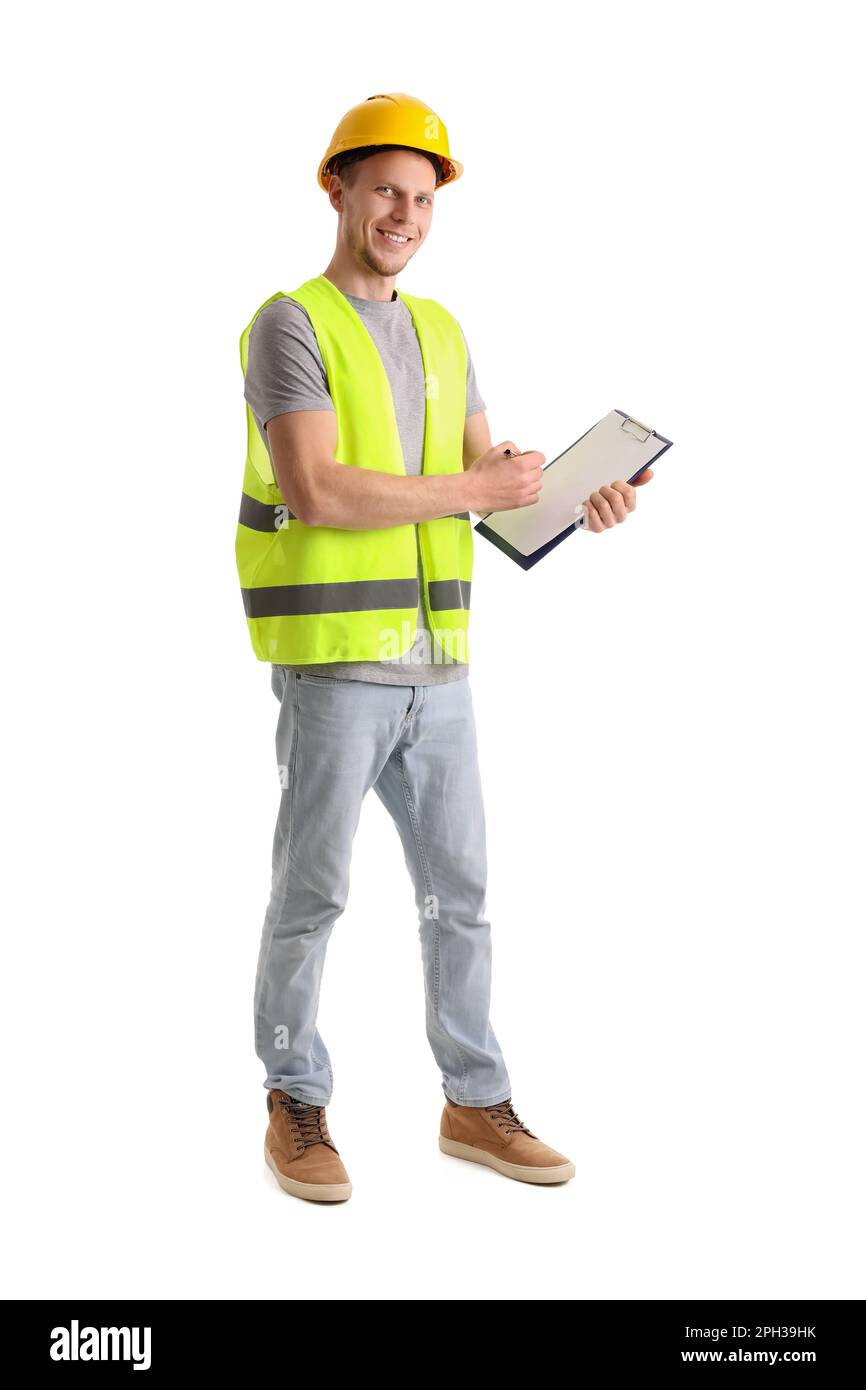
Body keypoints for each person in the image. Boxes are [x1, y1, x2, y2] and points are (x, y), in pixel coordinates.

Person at [236, 92, 653, 1204]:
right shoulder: (290, 323)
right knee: (313, 894)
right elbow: (318, 487)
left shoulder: (444, 332)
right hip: (335, 666)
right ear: (335, 187)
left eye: (421, 199)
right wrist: (478, 484)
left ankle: (472, 1099)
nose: (404, 214)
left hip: (441, 669)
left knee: (459, 893)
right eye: (384, 189)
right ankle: (293, 1096)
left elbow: (494, 507)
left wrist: (575, 499)